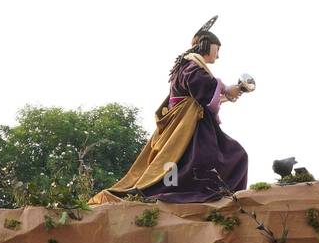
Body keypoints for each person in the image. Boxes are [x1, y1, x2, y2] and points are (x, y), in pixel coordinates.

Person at [104, 17, 249, 202]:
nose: (218, 55)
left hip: (193, 124)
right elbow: (199, 85)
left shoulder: (188, 65)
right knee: (220, 156)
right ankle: (199, 194)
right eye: (217, 49)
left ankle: (211, 194)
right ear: (206, 45)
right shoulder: (190, 65)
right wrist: (226, 89)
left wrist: (226, 93)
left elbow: (203, 92)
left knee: (228, 155)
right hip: (190, 128)